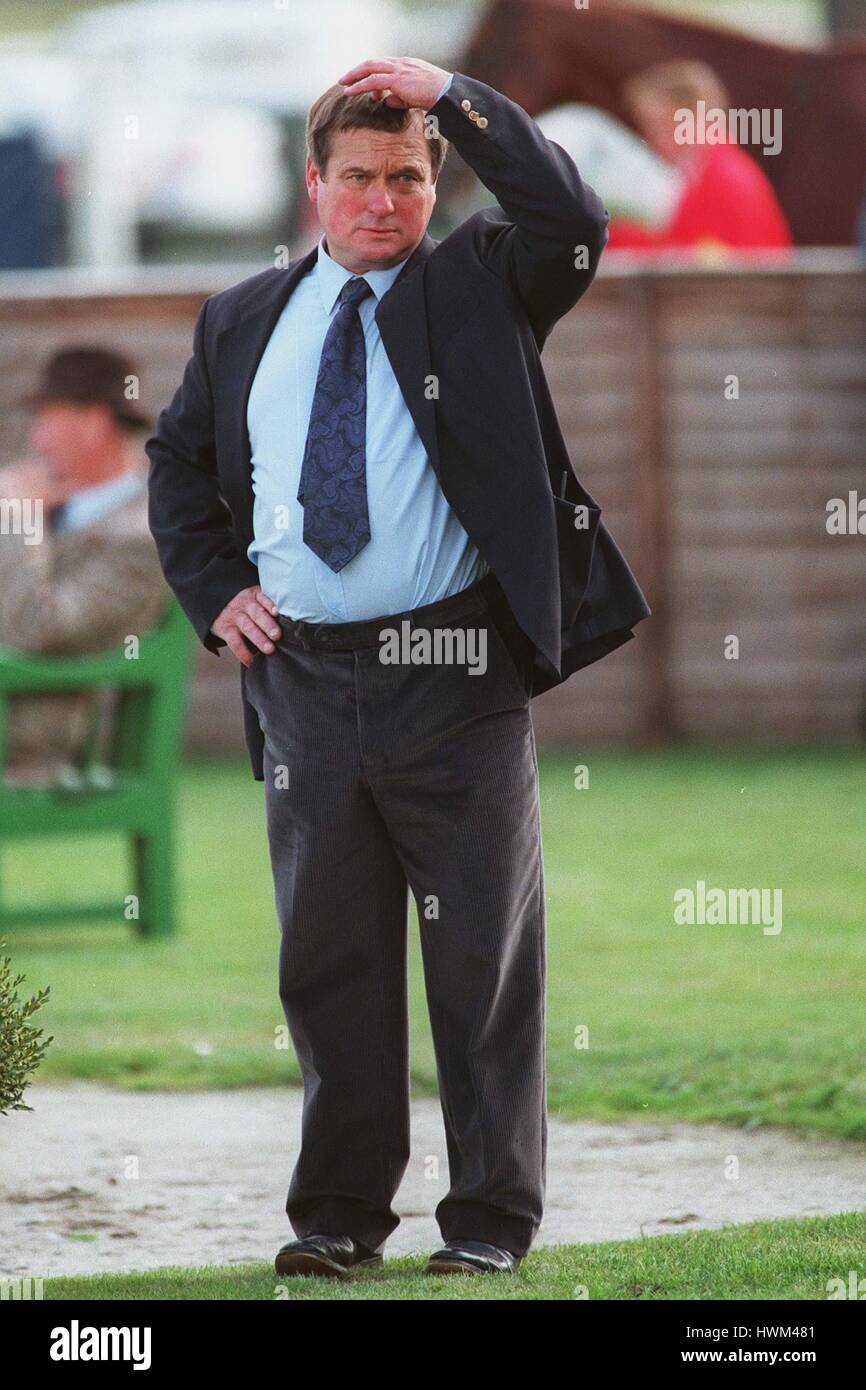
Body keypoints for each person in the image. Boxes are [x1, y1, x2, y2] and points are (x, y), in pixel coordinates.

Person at [147, 56, 650, 1279]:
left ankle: (486, 1223)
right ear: (313, 187)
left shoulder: (479, 285)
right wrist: (217, 594)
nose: (385, 201)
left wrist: (457, 92)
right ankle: (333, 1220)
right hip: (303, 686)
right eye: (360, 178)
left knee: (480, 957)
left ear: (437, 187)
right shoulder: (243, 318)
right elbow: (174, 462)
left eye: (410, 178)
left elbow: (572, 222)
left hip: (455, 674)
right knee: (329, 964)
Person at [0, 347, 169, 787]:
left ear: (94, 424)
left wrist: (20, 518)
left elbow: (36, 630)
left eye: (47, 421)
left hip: (28, 737)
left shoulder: (141, 541)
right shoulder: (50, 508)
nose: (35, 441)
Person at [607, 60, 793, 256]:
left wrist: (621, 239)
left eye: (658, 123)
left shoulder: (725, 176)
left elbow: (708, 259)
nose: (651, 136)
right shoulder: (703, 171)